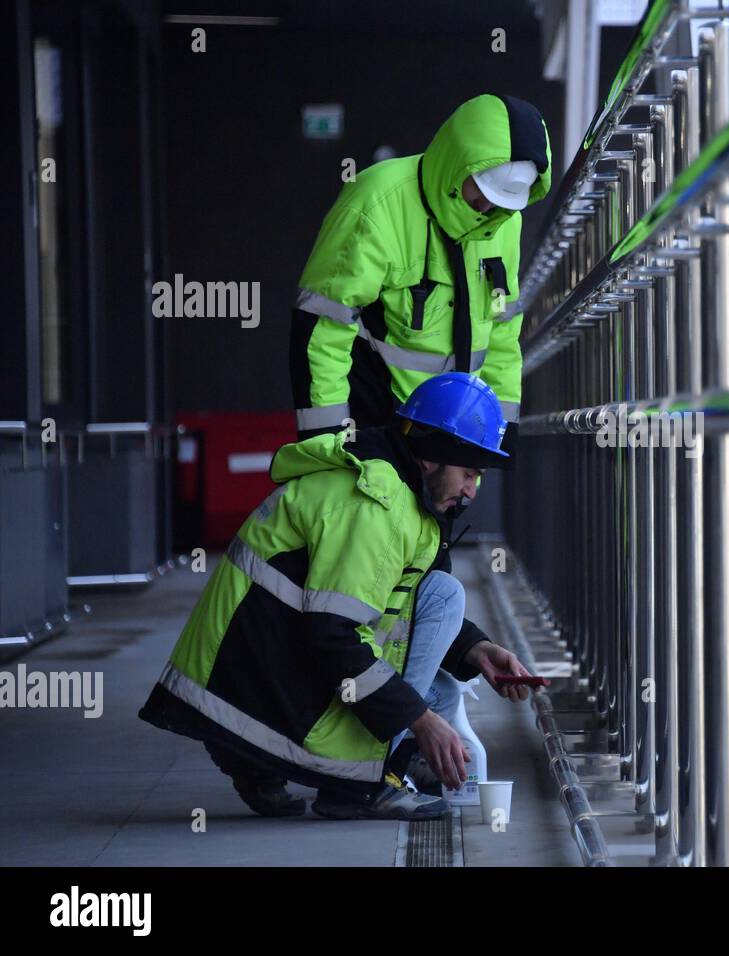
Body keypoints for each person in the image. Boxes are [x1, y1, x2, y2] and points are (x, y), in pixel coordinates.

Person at [139, 373, 537, 820]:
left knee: (441, 673)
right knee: (436, 666)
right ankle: (358, 785)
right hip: (253, 678)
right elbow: (334, 636)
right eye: (468, 473)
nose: (471, 491)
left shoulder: (395, 487)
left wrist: (477, 650)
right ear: (430, 458)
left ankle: (253, 755)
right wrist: (418, 722)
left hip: (247, 668)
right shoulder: (377, 505)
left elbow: (399, 601)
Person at [289, 93, 552, 455]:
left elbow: (503, 333)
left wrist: (495, 436)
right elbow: (323, 328)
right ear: (459, 164)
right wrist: (325, 446)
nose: (488, 207)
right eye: (484, 192)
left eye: (504, 201)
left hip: (449, 432)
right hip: (371, 422)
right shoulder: (377, 202)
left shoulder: (505, 223)